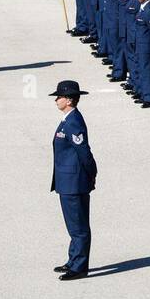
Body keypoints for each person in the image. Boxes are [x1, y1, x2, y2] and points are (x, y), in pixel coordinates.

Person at [50, 80, 97, 281]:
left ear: (68, 100)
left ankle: (79, 267)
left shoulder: (73, 121)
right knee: (73, 225)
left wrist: (90, 174)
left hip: (74, 182)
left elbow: (83, 152)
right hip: (67, 180)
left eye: (59, 97)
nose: (56, 100)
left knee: (78, 227)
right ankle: (73, 259)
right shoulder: (67, 119)